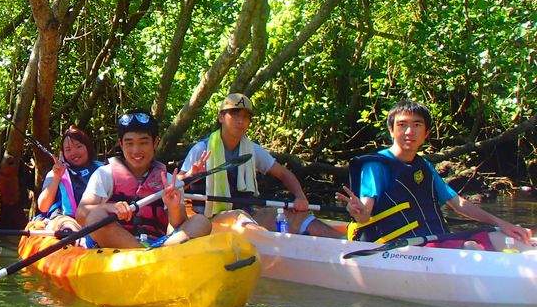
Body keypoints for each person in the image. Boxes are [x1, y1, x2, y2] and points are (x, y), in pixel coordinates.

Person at [337, 99, 532, 249]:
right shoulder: (376, 165)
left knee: (499, 236)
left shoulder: (424, 166)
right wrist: (358, 212)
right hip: (400, 246)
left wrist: (503, 223)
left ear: (426, 133)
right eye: (402, 125)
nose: (409, 131)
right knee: (470, 248)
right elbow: (364, 214)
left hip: (435, 239)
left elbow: (459, 204)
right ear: (391, 131)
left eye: (416, 125)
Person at [180, 93, 342, 237]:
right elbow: (176, 184)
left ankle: (344, 243)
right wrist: (189, 176)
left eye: (245, 117)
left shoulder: (251, 150)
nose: (240, 121)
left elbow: (284, 174)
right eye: (235, 114)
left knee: (297, 217)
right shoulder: (201, 149)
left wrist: (300, 196)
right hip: (209, 218)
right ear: (221, 117)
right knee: (242, 219)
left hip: (245, 214)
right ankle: (271, 245)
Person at [77, 110, 211, 249]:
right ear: (121, 144)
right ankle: (145, 255)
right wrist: (110, 207)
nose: (136, 150)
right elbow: (81, 214)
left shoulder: (169, 181)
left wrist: (173, 207)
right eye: (129, 143)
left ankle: (153, 255)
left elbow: (178, 225)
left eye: (143, 142)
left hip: (156, 244)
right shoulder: (104, 174)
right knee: (95, 216)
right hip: (116, 247)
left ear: (155, 143)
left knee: (201, 222)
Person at [35, 125, 103, 234]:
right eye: (68, 149)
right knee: (68, 225)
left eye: (79, 146)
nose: (74, 152)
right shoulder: (55, 173)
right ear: (63, 153)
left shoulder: (103, 169)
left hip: (95, 218)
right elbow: (43, 207)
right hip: (64, 219)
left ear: (87, 147)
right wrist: (57, 176)